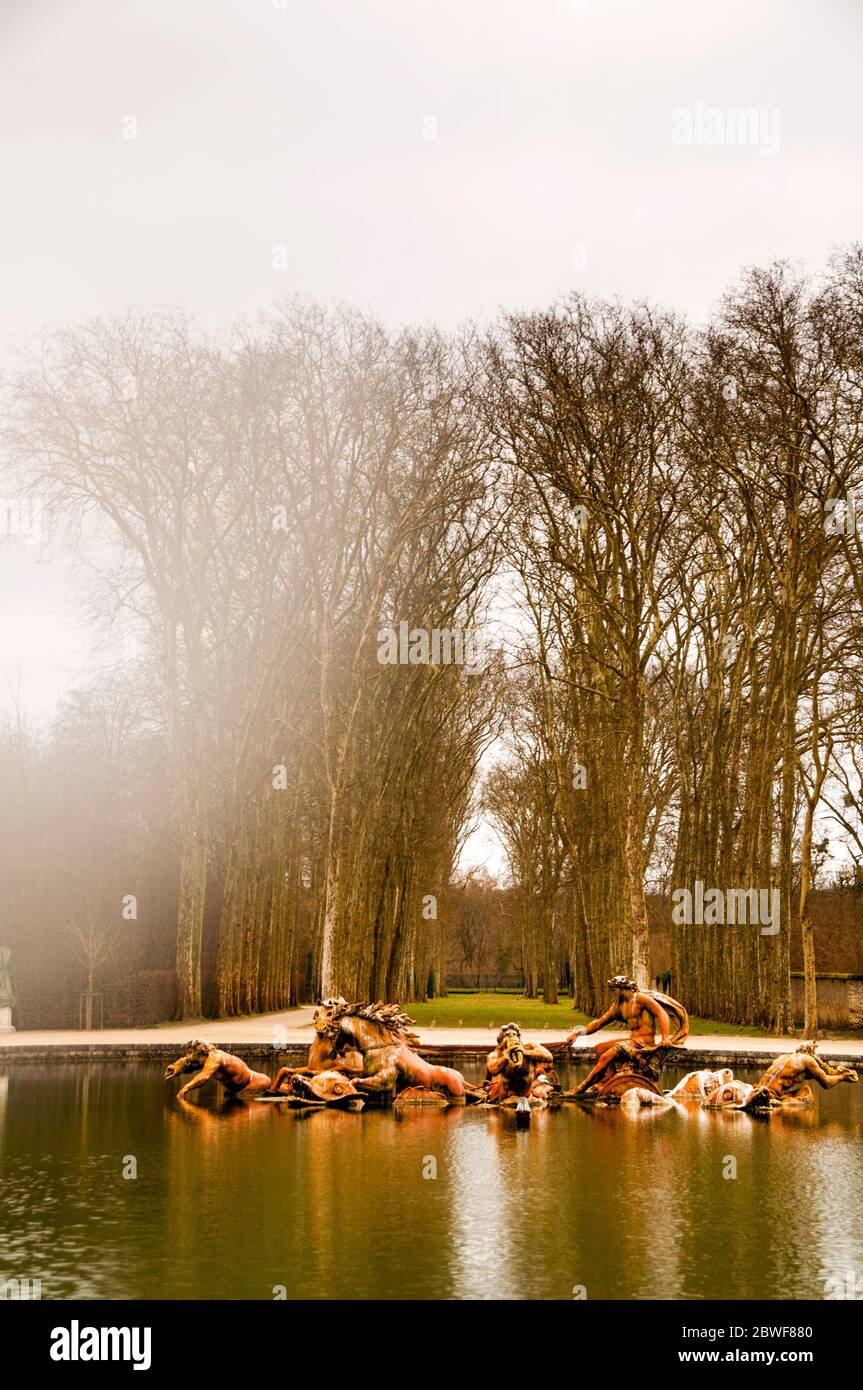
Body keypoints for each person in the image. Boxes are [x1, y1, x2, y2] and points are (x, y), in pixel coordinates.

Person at [563, 975, 672, 1098]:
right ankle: (608, 1080)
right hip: (632, 1041)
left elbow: (662, 1014)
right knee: (599, 1048)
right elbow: (598, 1023)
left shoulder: (641, 999)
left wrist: (665, 1038)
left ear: (621, 988)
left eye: (614, 989)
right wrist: (577, 1033)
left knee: (606, 1056)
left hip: (644, 1042)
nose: (613, 992)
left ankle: (580, 1089)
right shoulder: (618, 1005)